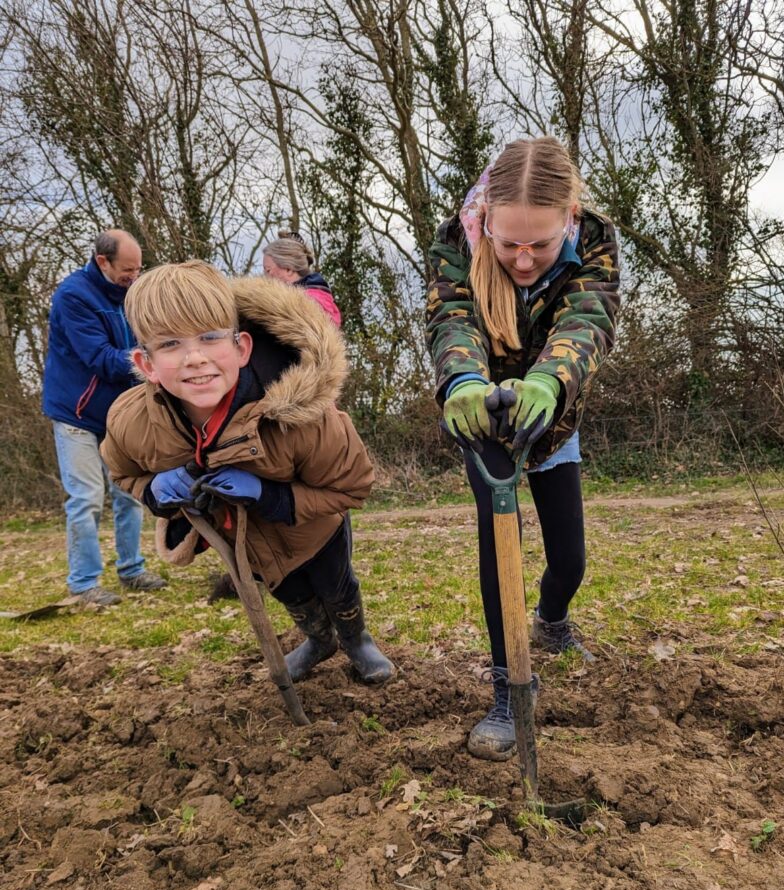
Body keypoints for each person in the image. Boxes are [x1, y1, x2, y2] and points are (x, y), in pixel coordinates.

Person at [101, 260, 393, 685]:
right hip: (248, 546)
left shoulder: (302, 415)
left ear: (241, 347)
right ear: (146, 364)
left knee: (336, 586)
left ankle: (355, 638)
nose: (195, 358)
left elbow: (353, 486)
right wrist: (153, 491)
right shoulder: (131, 422)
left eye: (209, 337)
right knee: (290, 592)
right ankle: (318, 639)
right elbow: (122, 471)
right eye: (170, 344)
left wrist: (271, 497)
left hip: (314, 532)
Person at [426, 136, 620, 761]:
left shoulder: (596, 240)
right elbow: (452, 318)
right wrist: (461, 379)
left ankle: (553, 619)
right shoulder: (456, 242)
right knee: (499, 547)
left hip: (550, 418)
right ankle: (510, 687)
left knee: (570, 560)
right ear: (486, 221)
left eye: (541, 243)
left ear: (569, 218)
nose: (525, 258)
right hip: (484, 418)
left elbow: (587, 317)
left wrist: (550, 380)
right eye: (509, 244)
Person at [42, 229, 167, 606]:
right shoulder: (73, 296)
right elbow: (100, 358)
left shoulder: (133, 294)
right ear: (102, 262)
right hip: (76, 413)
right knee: (86, 497)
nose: (135, 276)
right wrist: (156, 362)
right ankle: (83, 584)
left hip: (119, 414)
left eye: (139, 269)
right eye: (128, 269)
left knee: (129, 492)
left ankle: (131, 569)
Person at [262, 232, 342, 327]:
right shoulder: (318, 300)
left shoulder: (302, 307)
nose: (265, 277)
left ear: (288, 269)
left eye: (268, 270)